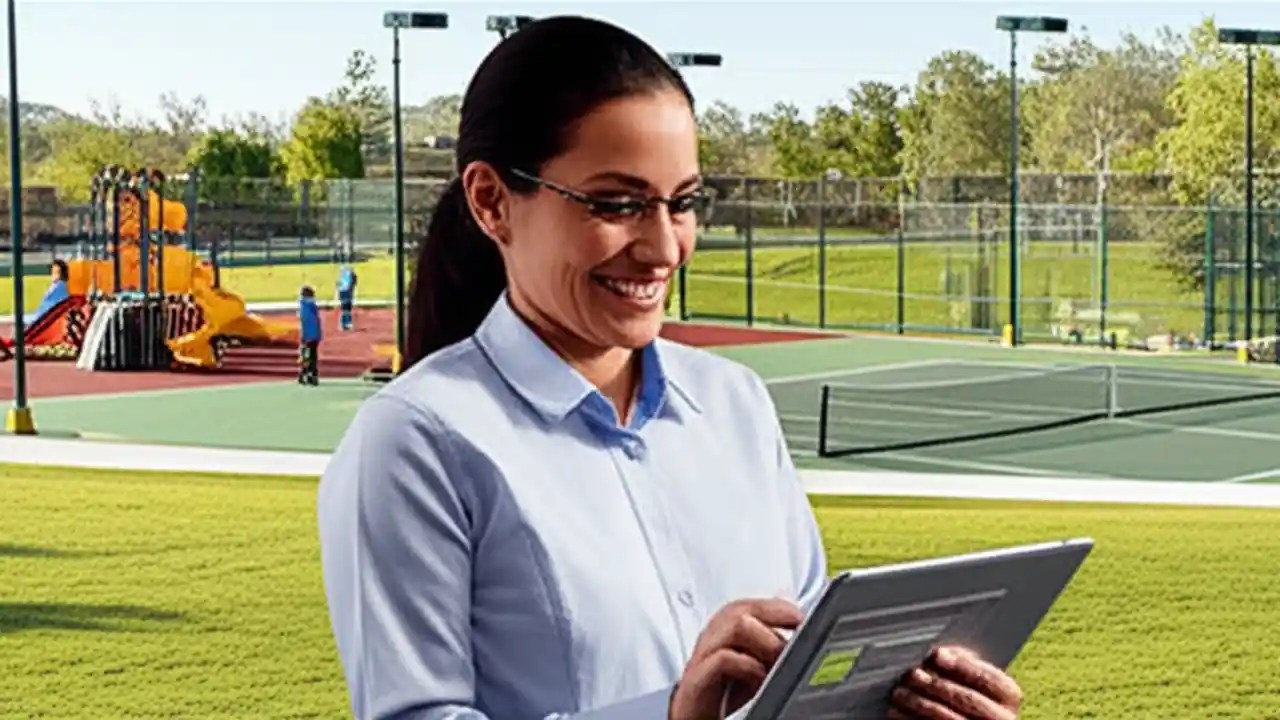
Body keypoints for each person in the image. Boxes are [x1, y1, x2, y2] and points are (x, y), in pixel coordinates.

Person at [316, 16, 1025, 720]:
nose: (663, 247)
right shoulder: (417, 441)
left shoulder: (735, 404)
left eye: (682, 203)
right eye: (618, 204)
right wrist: (672, 714)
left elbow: (801, 691)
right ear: (492, 201)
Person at [28, 259, 71, 325]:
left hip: (44, 322)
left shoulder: (60, 286)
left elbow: (51, 308)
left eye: (56, 272)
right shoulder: (56, 285)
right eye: (52, 272)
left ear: (62, 274)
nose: (53, 275)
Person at [297, 284, 321, 386]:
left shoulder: (306, 306)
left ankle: (306, 374)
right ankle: (309, 375)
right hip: (311, 336)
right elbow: (310, 322)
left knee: (308, 356)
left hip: (310, 336)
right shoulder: (308, 307)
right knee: (311, 356)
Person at [336, 263, 358, 331]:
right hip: (346, 293)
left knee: (346, 309)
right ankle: (345, 324)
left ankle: (345, 324)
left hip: (345, 293)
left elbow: (339, 284)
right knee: (346, 309)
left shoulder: (344, 275)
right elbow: (351, 284)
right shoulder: (348, 275)